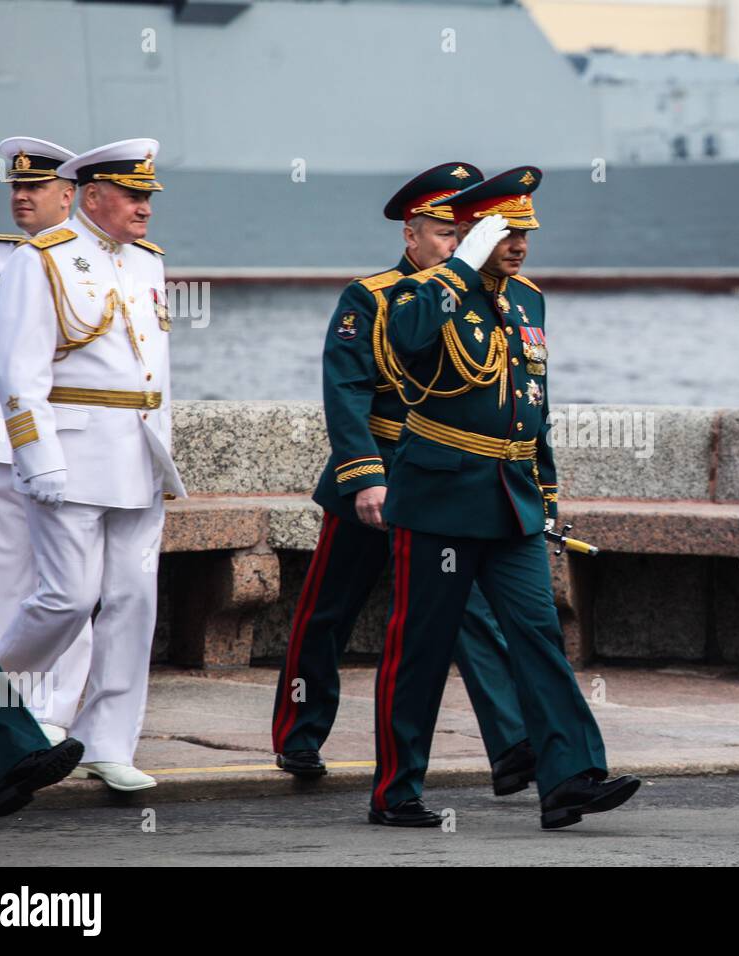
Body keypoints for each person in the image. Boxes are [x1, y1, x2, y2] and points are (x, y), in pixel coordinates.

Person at [376, 166, 639, 830]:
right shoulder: (424, 292)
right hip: (439, 501)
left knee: (539, 634)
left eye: (525, 233)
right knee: (421, 648)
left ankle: (570, 779)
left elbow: (532, 404)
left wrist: (546, 494)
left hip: (511, 499)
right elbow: (407, 342)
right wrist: (460, 268)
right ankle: (396, 792)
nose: (519, 246)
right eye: (504, 234)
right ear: (470, 233)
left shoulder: (527, 300)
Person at [272, 162, 535, 800]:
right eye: (444, 233)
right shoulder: (373, 296)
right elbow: (346, 390)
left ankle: (512, 746)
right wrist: (365, 476)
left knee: (468, 614)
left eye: (460, 233)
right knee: (328, 608)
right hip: (379, 471)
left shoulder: (482, 294)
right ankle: (300, 733)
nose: (454, 244)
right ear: (411, 235)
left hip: (441, 484)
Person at [0, 139, 186, 793]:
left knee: (133, 600)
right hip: (70, 456)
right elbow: (19, 371)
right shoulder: (40, 259)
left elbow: (153, 373)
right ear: (93, 196)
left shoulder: (148, 262)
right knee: (68, 597)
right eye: (132, 196)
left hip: (139, 456)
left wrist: (162, 452)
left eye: (147, 197)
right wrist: (37, 455)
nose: (145, 208)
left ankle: (109, 742)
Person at [0, 139, 95, 743]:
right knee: (8, 573)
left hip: (62, 435)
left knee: (66, 580)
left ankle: (57, 707)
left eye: (35, 187)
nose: (22, 197)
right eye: (16, 188)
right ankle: (11, 708)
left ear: (69, 196)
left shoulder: (90, 259)